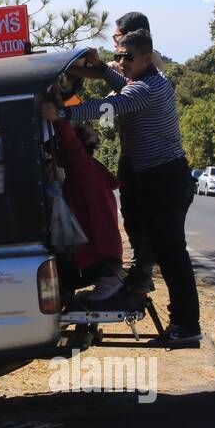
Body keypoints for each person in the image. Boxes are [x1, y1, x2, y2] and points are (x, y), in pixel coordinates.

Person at [43, 30, 201, 347]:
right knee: (153, 243)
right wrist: (101, 67)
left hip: (165, 179)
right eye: (119, 56)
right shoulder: (141, 81)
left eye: (128, 57)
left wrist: (61, 113)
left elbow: (108, 106)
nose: (122, 62)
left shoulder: (147, 89)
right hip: (157, 177)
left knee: (171, 253)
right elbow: (119, 85)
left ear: (147, 56)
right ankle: (145, 296)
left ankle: (186, 325)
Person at [108, 11, 167, 295]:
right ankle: (141, 270)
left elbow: (124, 96)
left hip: (149, 163)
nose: (120, 58)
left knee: (145, 219)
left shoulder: (149, 70)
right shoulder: (138, 62)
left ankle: (143, 272)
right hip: (134, 157)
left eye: (117, 40)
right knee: (133, 214)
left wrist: (62, 112)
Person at [53, 118, 125, 306]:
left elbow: (70, 144)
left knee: (54, 268)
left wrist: (58, 117)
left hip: (100, 256)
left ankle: (107, 280)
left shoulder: (83, 169)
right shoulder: (90, 171)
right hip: (105, 254)